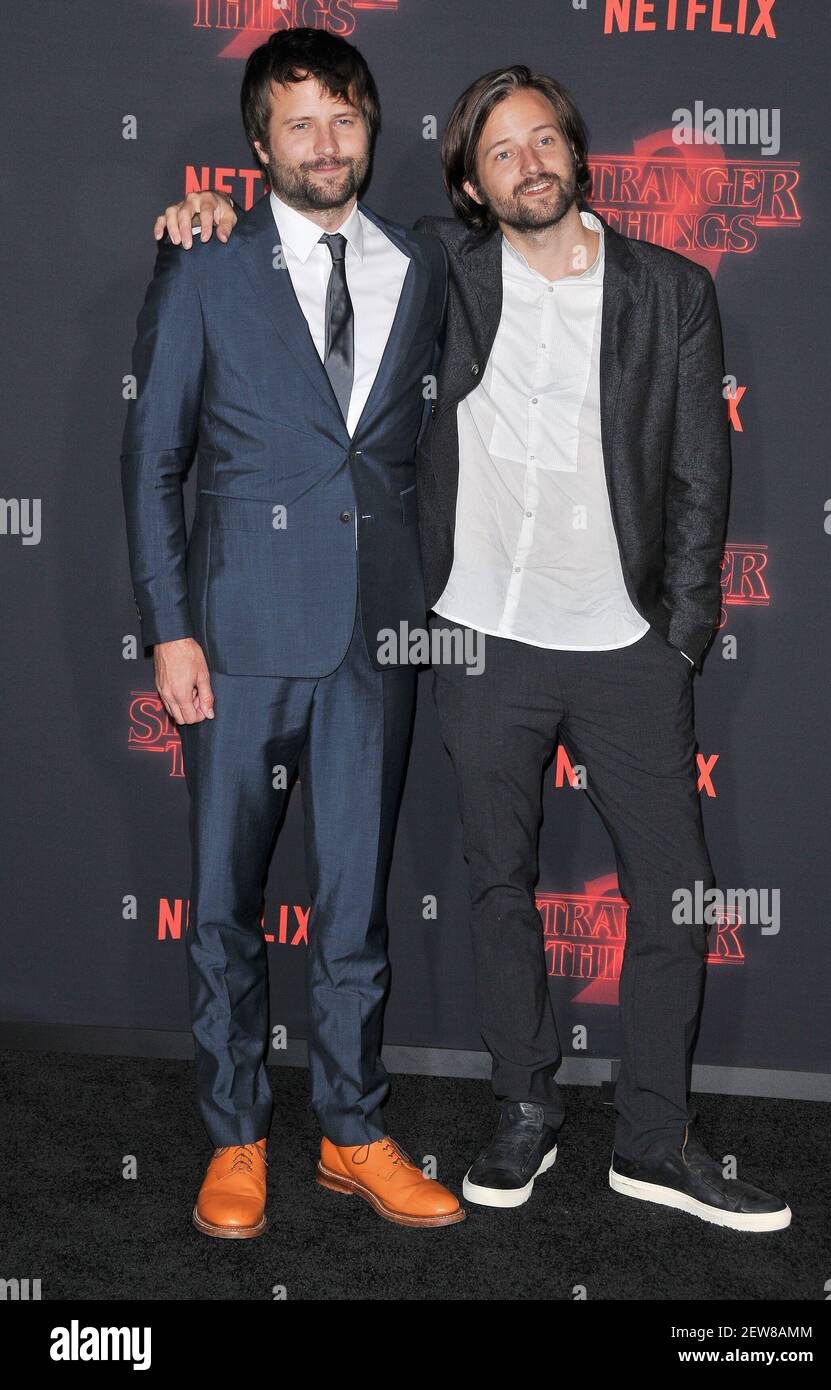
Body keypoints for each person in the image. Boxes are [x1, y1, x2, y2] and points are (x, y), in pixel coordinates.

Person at [154, 64, 790, 1232]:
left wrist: (681, 635)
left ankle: (628, 1139)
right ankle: (451, 1116)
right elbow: (186, 416)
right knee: (436, 891)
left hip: (600, 645)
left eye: (543, 140)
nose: (528, 163)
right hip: (441, 639)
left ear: (575, 152)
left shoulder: (637, 288)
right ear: (469, 179)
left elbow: (703, 474)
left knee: (649, 897)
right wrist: (199, 220)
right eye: (501, 151)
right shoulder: (397, 268)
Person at [121, 27, 463, 1236]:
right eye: (298, 121)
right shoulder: (205, 266)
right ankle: (233, 1137)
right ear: (258, 143)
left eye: (344, 118)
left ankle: (353, 1132)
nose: (325, 143)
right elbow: (153, 457)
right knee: (224, 903)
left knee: (355, 905)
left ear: (372, 130)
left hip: (377, 643)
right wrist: (169, 629)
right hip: (238, 638)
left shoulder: (422, 270)